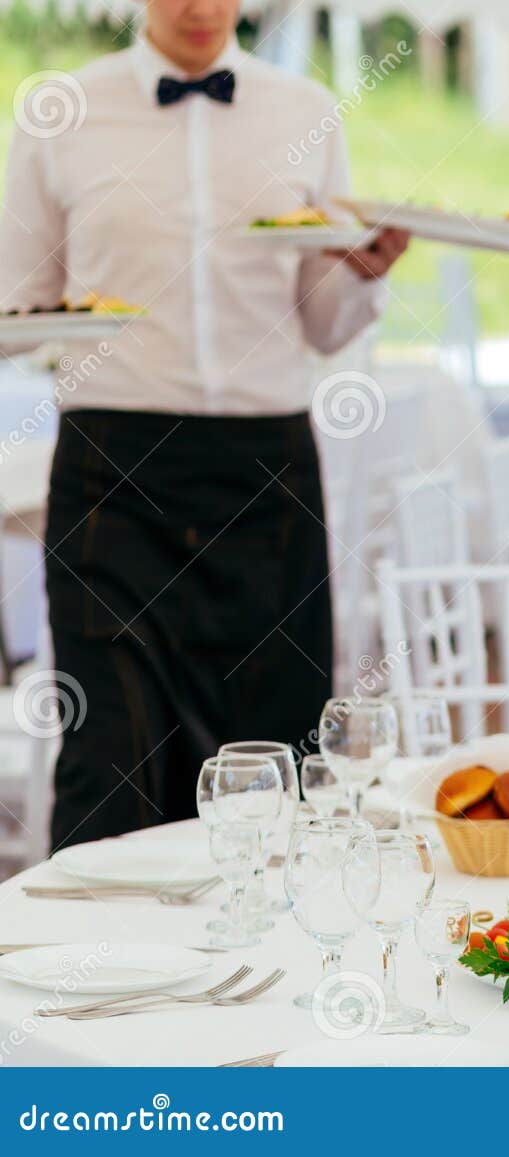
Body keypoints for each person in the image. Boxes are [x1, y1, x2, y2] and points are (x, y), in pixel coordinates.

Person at [0, 0, 409, 848]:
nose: (200, 9)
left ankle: (266, 933)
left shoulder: (306, 111)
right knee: (109, 759)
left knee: (273, 763)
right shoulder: (59, 115)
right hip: (113, 467)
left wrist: (364, 273)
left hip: (266, 468)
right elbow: (21, 304)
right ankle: (92, 936)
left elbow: (324, 324)